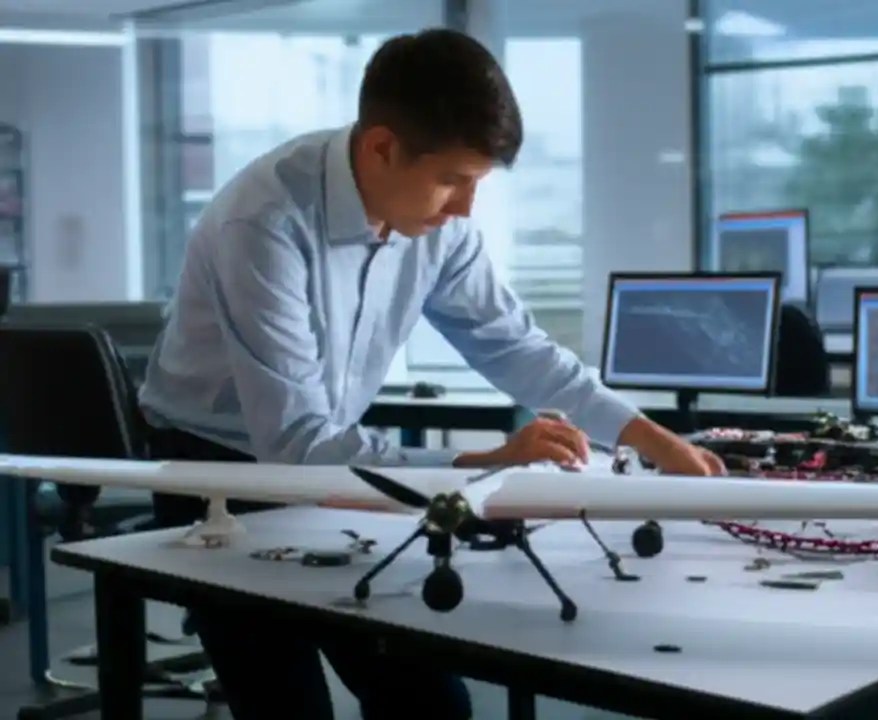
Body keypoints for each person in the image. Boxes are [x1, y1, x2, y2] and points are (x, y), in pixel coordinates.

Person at [137, 28, 725, 720]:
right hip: (216, 473)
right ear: (382, 147)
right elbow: (293, 444)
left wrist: (656, 441)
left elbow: (516, 346)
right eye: (453, 180)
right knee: (287, 706)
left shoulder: (439, 225)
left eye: (475, 183)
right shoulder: (263, 223)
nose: (464, 208)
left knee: (430, 704)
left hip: (329, 467)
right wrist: (487, 463)